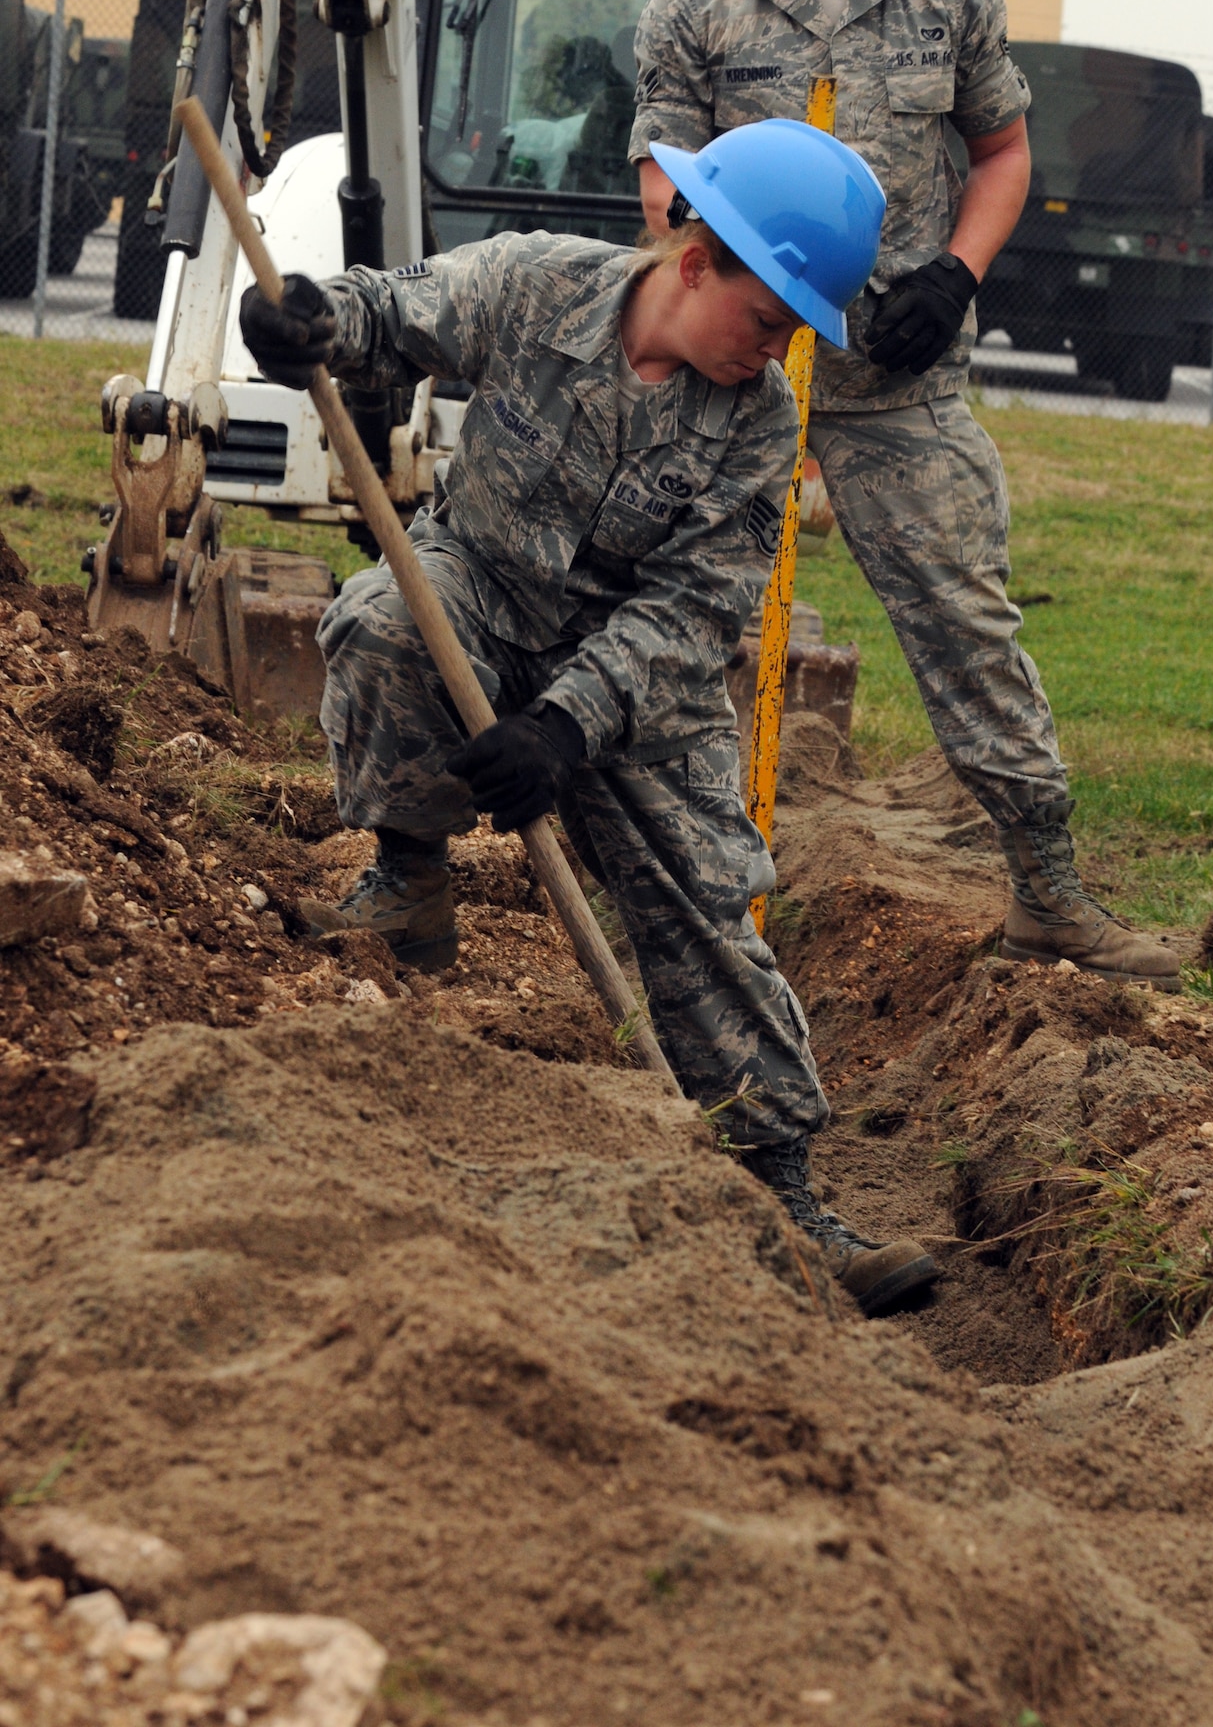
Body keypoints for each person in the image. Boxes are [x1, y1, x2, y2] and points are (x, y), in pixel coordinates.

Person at [238, 118, 936, 1315]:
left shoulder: (760, 424)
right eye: (767, 318)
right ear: (695, 253)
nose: (772, 350)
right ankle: (408, 875)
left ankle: (780, 1184)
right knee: (378, 620)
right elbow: (400, 308)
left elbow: (685, 615)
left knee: (705, 898)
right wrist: (305, 315)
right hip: (483, 588)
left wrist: (564, 728)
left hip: (631, 684)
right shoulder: (539, 283)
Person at [630, 0, 1179, 991]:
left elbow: (999, 156)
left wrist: (955, 276)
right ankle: (669, 893)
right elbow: (660, 176)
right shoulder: (696, 2)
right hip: (736, 371)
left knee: (966, 623)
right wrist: (726, 270)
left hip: (897, 382)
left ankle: (1049, 893)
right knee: (671, 622)